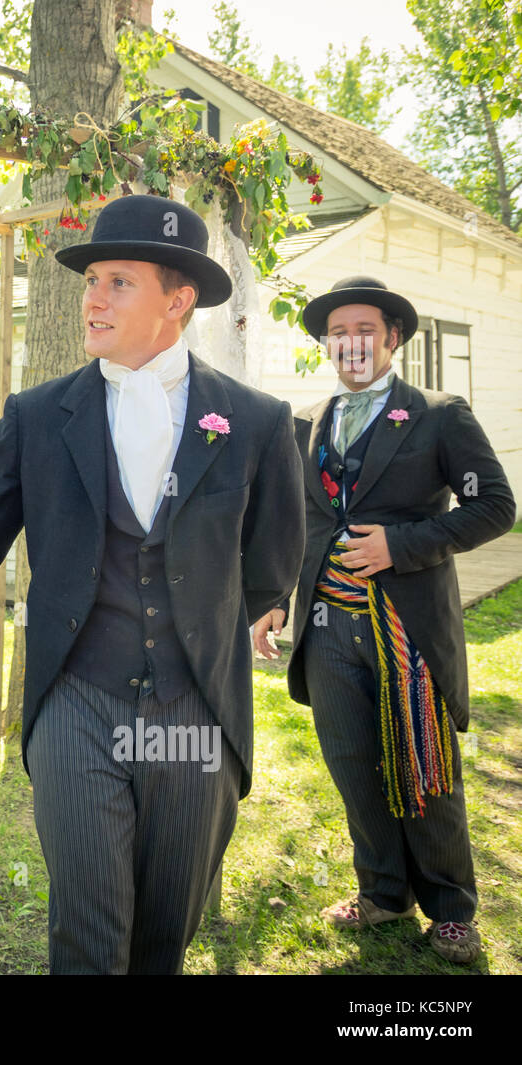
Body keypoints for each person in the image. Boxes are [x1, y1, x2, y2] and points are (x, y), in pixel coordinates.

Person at [0, 195, 306, 974]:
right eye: (91, 279)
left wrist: (253, 612)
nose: (92, 298)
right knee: (88, 939)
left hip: (196, 712)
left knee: (163, 937)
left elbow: (273, 556)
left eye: (119, 282)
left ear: (179, 299)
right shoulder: (36, 417)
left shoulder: (256, 423)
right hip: (76, 702)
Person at [253, 276, 515, 966]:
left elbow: (495, 506)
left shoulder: (438, 413)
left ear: (393, 338)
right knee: (354, 766)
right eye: (338, 332)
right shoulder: (305, 420)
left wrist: (399, 545)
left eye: (365, 329)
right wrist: (277, 597)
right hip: (327, 629)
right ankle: (384, 892)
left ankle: (453, 910)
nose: (351, 343)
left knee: (424, 768)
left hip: (409, 629)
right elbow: (300, 521)